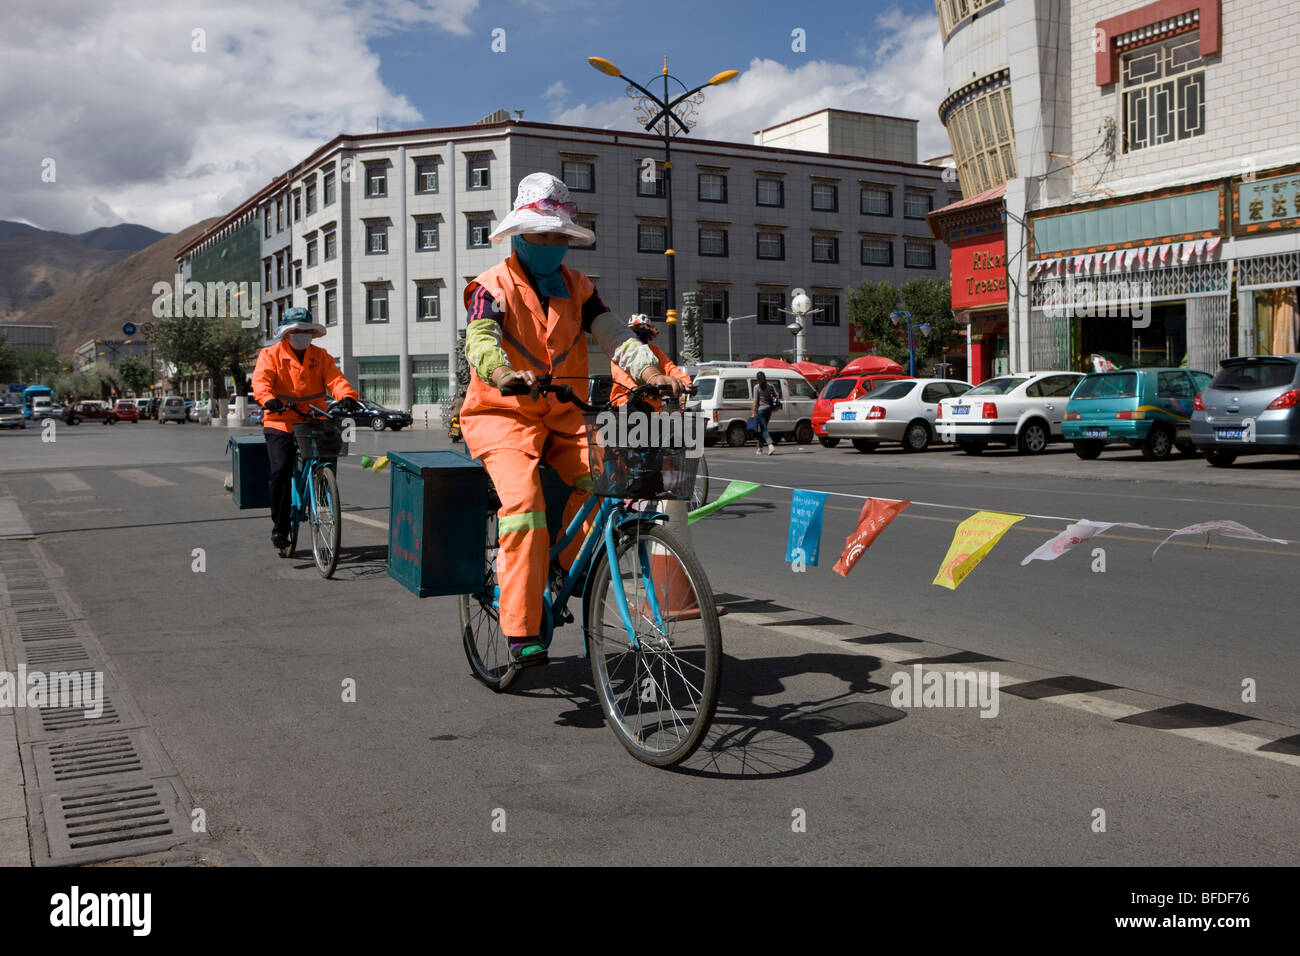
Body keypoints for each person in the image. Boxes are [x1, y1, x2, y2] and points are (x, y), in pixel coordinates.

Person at [460, 172, 684, 668]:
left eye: (560, 237)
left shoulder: (578, 287)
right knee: (523, 508)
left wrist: (651, 371)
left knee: (607, 480)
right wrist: (501, 373)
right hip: (504, 416)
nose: (553, 245)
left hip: (565, 414)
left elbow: (613, 335)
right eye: (544, 236)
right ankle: (521, 629)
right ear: (520, 235)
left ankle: (563, 565)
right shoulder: (490, 286)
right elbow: (479, 338)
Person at [252, 308, 361, 549]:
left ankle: (324, 490)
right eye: (297, 331)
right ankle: (279, 527)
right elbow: (261, 381)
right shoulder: (270, 355)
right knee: (280, 471)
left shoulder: (320, 356)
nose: (302, 335)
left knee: (328, 458)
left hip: (314, 418)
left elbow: (336, 380)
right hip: (279, 420)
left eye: (306, 331)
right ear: (287, 334)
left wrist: (347, 396)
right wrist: (267, 398)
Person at [609, 315, 691, 408]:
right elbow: (622, 376)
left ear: (649, 334)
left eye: (644, 332)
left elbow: (668, 367)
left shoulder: (654, 350)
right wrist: (634, 388)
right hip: (625, 403)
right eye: (637, 331)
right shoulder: (622, 351)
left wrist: (686, 382)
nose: (640, 334)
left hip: (652, 406)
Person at [751, 370, 779, 455]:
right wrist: (775, 407)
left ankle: (770, 445)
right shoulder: (770, 386)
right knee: (763, 429)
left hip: (761, 411)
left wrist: (753, 412)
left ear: (757, 379)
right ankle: (760, 448)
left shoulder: (757, 387)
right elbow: (776, 396)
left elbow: (755, 401)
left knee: (764, 429)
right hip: (769, 410)